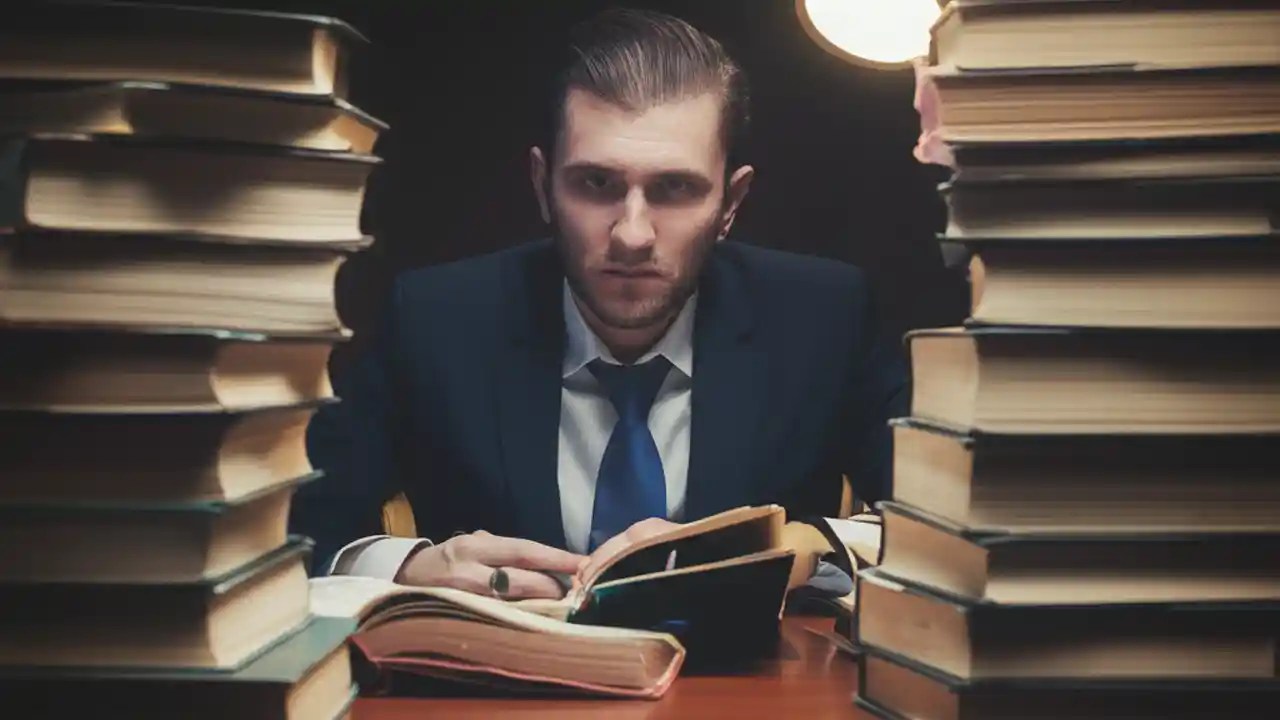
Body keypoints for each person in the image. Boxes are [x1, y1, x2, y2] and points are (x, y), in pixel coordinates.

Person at [292, 7, 908, 601]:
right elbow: (300, 531)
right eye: (595, 183)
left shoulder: (825, 318)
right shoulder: (436, 318)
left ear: (731, 204)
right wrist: (409, 567)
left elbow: (932, 527)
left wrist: (794, 547)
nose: (632, 235)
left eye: (675, 188)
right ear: (543, 186)